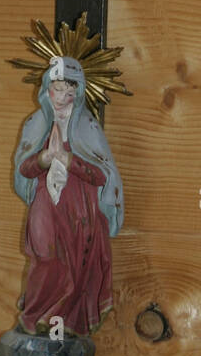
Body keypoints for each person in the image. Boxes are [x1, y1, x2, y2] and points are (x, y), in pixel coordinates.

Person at [13, 55, 124, 338]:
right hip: (45, 202)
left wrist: (69, 159)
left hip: (79, 210)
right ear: (46, 89)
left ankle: (58, 320)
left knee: (73, 266)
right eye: (57, 88)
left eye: (69, 91)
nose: (62, 96)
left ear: (79, 92)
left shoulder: (87, 127)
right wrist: (44, 159)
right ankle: (33, 316)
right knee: (45, 256)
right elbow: (24, 169)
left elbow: (101, 175)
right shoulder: (35, 124)